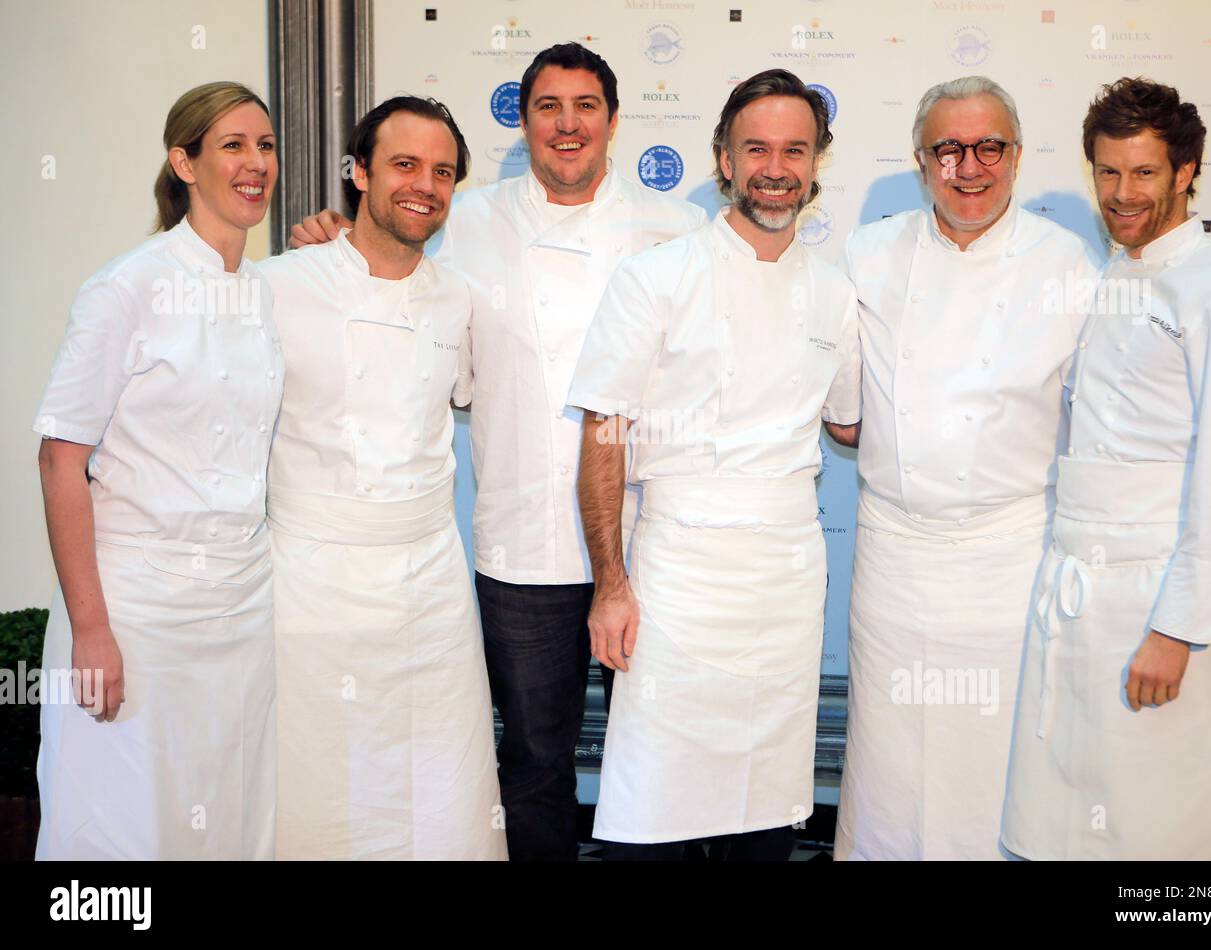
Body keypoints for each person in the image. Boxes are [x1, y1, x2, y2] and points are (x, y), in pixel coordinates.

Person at [290, 43, 706, 860]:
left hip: (658, 539)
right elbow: (394, 289)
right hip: (524, 548)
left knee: (662, 761)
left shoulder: (678, 229)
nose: (568, 124)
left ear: (613, 121)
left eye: (586, 105)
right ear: (523, 123)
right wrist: (330, 246)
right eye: (548, 106)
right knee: (533, 763)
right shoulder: (465, 223)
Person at [569, 68, 861, 861]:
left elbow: (851, 422)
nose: (776, 167)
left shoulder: (837, 294)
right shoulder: (656, 277)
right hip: (675, 578)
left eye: (794, 150)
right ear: (723, 161)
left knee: (762, 820)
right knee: (650, 813)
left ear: (815, 164)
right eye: (756, 148)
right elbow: (604, 431)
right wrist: (610, 585)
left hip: (785, 581)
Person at [1002, 78, 1211, 860]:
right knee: (1080, 829)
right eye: (1107, 172)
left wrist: (1176, 630)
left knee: (1164, 831)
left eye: (1145, 173)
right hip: (1080, 602)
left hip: (1159, 613)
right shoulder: (1112, 277)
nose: (1122, 194)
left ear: (1187, 171)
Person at [829, 76, 1099, 860]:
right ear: (921, 162)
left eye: (989, 148)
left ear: (1016, 157)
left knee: (999, 750)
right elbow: (842, 408)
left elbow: (1094, 422)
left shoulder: (1067, 265)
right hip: (896, 554)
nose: (969, 167)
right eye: (948, 149)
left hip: (1009, 558)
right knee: (889, 752)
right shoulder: (868, 255)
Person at [33, 81, 282, 859]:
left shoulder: (267, 293)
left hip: (240, 611)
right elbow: (59, 461)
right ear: (184, 162)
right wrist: (93, 629)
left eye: (266, 146)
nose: (256, 164)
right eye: (233, 146)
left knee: (224, 818)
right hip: (136, 610)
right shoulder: (125, 287)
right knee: (121, 828)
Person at [259, 97, 505, 860]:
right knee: (316, 779)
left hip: (428, 582)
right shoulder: (276, 285)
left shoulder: (460, 298)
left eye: (441, 171)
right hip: (309, 580)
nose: (423, 185)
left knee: (438, 785)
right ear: (358, 172)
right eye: (403, 164)